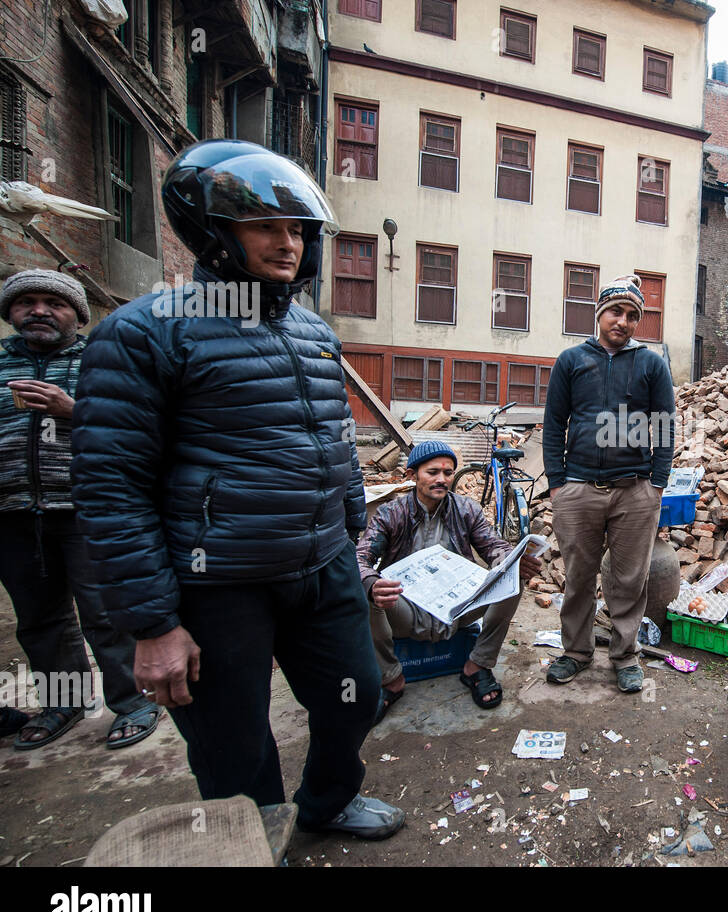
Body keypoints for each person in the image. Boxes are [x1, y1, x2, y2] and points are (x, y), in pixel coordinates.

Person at [70, 140, 403, 839]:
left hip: (321, 568)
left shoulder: (313, 332)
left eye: (298, 230)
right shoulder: (142, 334)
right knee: (233, 741)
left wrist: (350, 541)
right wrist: (153, 625)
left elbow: (336, 446)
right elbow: (111, 490)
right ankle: (248, 837)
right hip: (218, 584)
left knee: (357, 698)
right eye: (266, 227)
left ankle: (327, 802)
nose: (288, 244)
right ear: (214, 232)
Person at [0, 270, 160, 750]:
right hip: (12, 510)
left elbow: (143, 425)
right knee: (39, 617)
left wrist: (75, 409)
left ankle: (133, 701)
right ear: (11, 312)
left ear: (77, 314)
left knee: (105, 611)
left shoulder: (102, 361)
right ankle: (63, 703)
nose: (40, 311)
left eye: (54, 302)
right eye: (27, 302)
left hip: (87, 507)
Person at [542, 274, 674, 692]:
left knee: (629, 579)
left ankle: (625, 657)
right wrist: (557, 484)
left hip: (634, 491)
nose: (623, 321)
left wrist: (656, 484)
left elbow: (665, 426)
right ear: (600, 314)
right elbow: (552, 424)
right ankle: (576, 653)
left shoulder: (651, 364)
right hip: (578, 488)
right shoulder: (571, 361)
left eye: (633, 316)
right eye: (616, 312)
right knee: (578, 576)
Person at [358, 440, 543, 717]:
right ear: (412, 475)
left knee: (511, 579)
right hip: (406, 610)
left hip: (457, 607)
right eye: (432, 472)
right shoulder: (390, 513)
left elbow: (493, 547)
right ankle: (390, 679)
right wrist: (373, 583)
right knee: (367, 591)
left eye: (447, 473)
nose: (441, 479)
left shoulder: (467, 509)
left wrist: (512, 561)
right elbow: (360, 559)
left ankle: (478, 665)